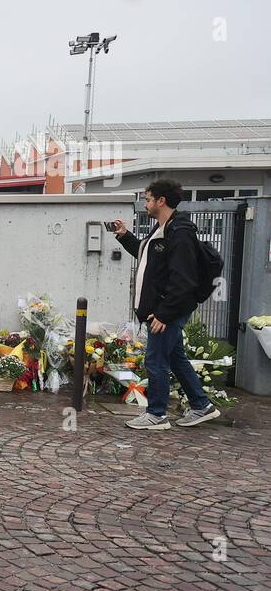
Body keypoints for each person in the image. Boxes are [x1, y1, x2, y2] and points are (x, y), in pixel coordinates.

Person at [109, 178, 219, 430]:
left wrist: (164, 314)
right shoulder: (162, 230)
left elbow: (183, 279)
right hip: (161, 309)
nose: (145, 204)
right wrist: (125, 236)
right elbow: (145, 253)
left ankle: (156, 414)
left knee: (155, 360)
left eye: (148, 199)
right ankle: (201, 405)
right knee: (175, 358)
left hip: (165, 311)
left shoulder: (180, 233)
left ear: (161, 201)